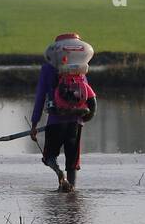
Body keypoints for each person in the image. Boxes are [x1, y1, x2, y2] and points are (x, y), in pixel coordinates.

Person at [30, 33, 97, 191]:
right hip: (76, 122)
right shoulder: (80, 70)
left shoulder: (48, 68)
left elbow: (40, 97)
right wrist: (86, 115)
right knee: (72, 161)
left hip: (55, 120)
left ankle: (60, 174)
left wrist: (34, 123)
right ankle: (72, 188)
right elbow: (90, 96)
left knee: (49, 157)